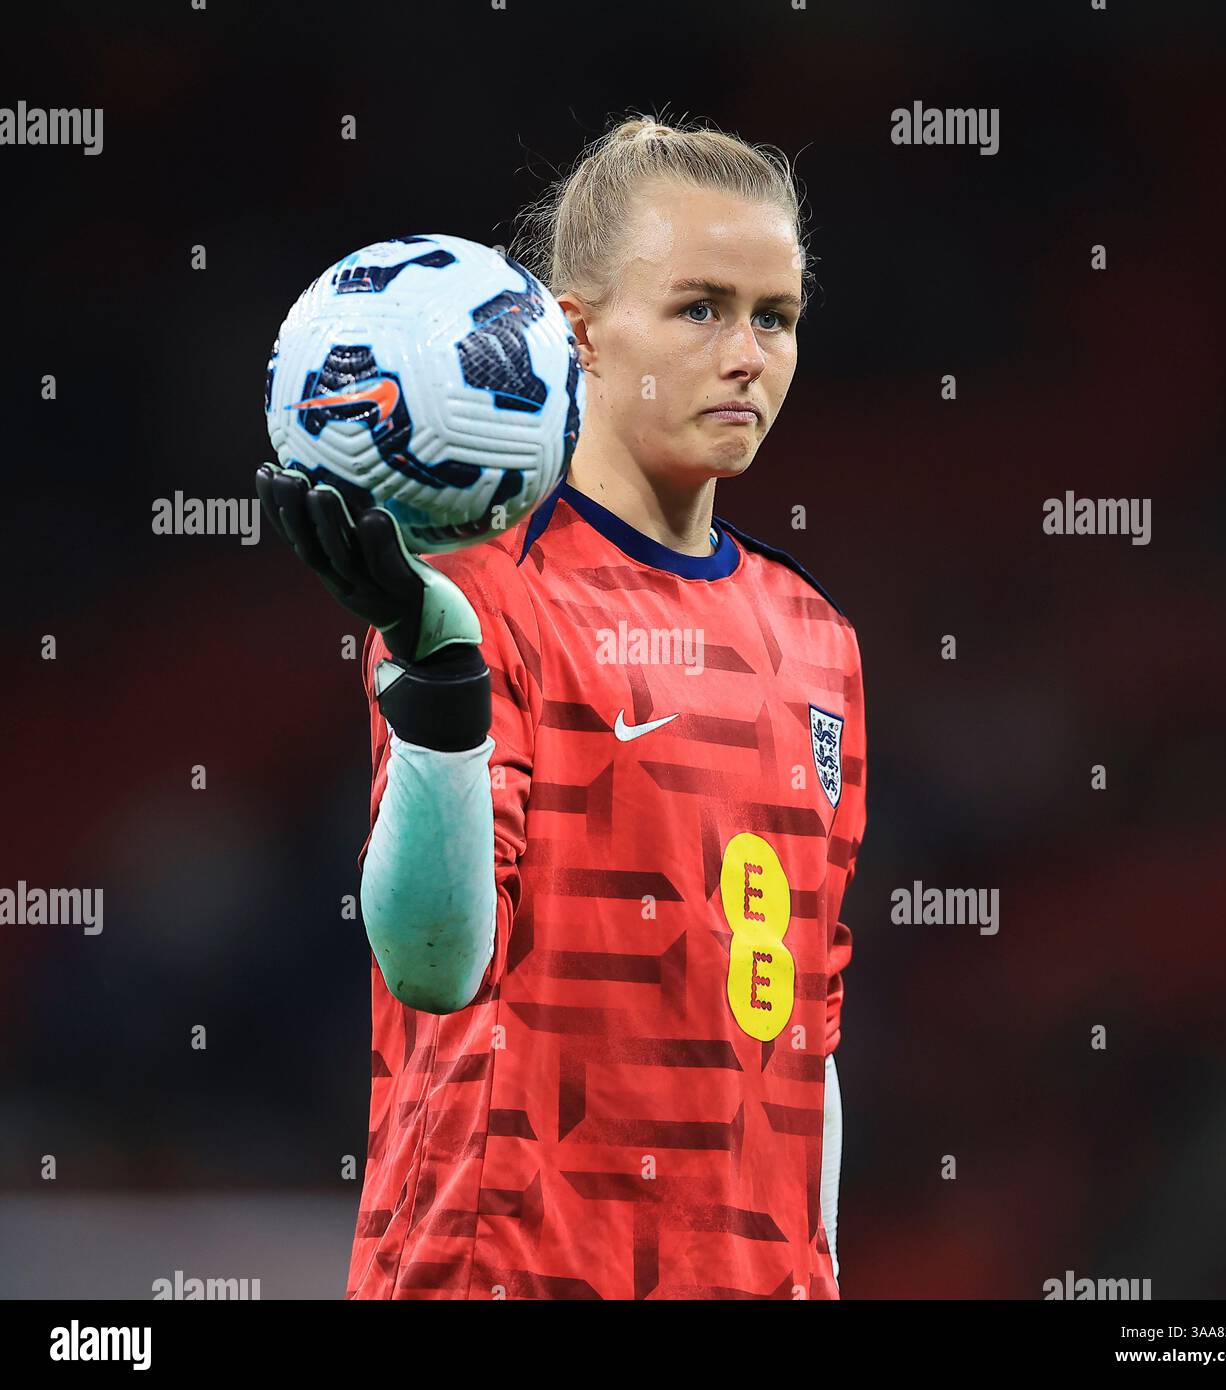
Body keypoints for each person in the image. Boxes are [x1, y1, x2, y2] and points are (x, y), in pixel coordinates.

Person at [258, 113, 866, 1300]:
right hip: (505, 1271)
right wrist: (435, 687)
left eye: (774, 317)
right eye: (700, 309)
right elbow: (434, 964)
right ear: (576, 336)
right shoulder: (477, 594)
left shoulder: (817, 641)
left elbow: (807, 1031)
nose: (748, 353)